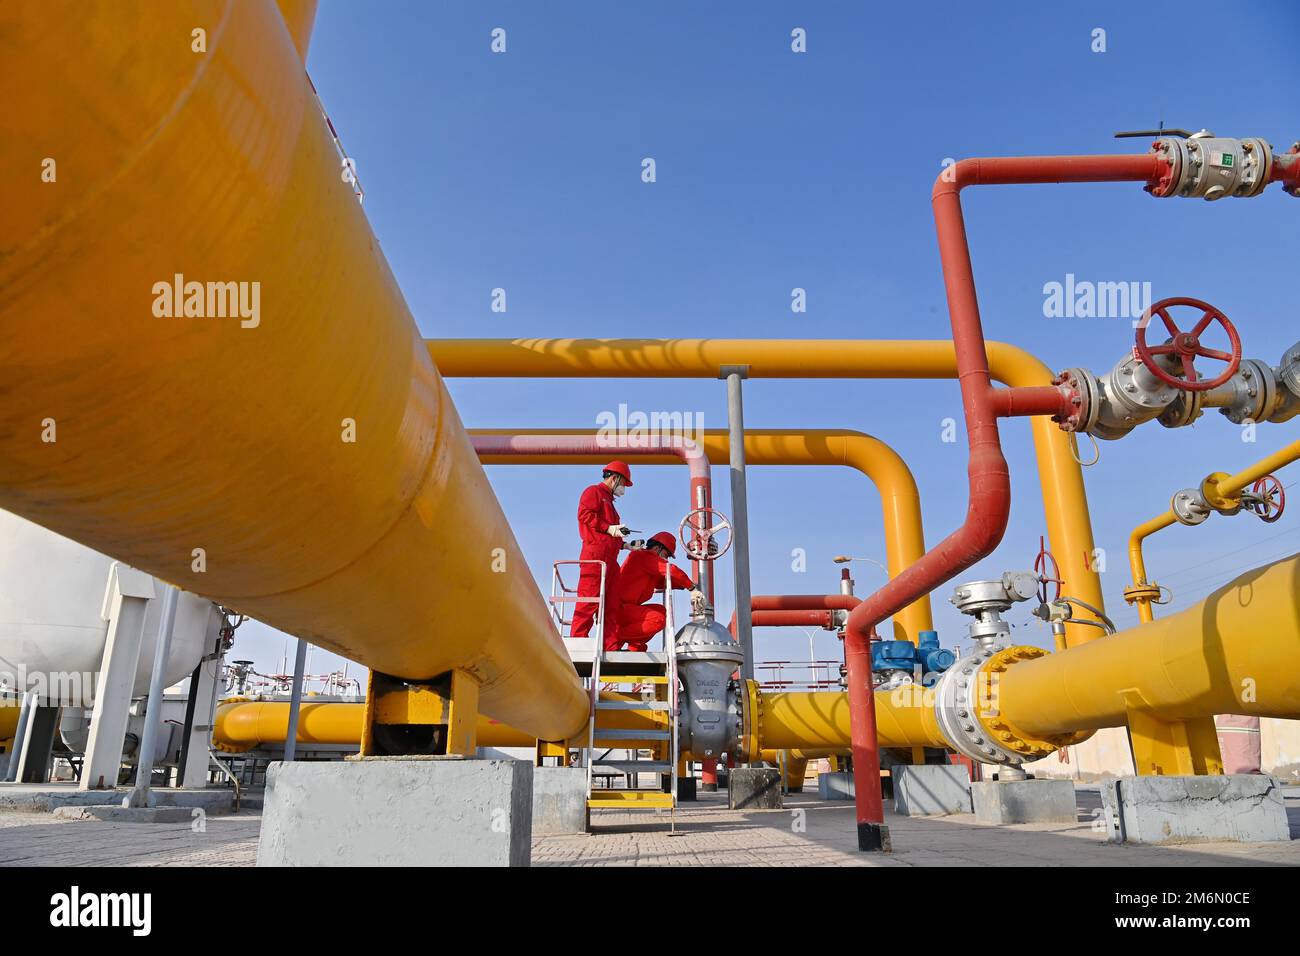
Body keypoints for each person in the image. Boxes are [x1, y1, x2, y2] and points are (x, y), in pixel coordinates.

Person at [609, 531, 706, 652]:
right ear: (657, 548)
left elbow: (662, 582)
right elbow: (671, 570)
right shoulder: (643, 556)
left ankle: (634, 647)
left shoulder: (648, 564)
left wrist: (686, 586)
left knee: (660, 610)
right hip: (618, 609)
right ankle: (615, 637)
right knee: (657, 619)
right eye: (666, 554)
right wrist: (692, 588)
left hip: (626, 609)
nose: (666, 559)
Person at [570, 461, 634, 640]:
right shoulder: (593, 492)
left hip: (610, 560)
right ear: (615, 478)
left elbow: (608, 534)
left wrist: (626, 545)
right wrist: (609, 528)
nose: (623, 488)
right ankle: (578, 639)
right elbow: (584, 515)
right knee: (589, 599)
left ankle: (610, 645)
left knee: (611, 604)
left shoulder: (610, 502)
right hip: (595, 557)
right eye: (623, 484)